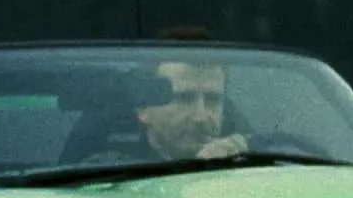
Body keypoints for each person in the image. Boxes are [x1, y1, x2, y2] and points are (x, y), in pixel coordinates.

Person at [69, 25, 248, 163]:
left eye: (213, 100)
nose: (200, 116)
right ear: (143, 108)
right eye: (183, 99)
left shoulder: (252, 168)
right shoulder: (108, 175)